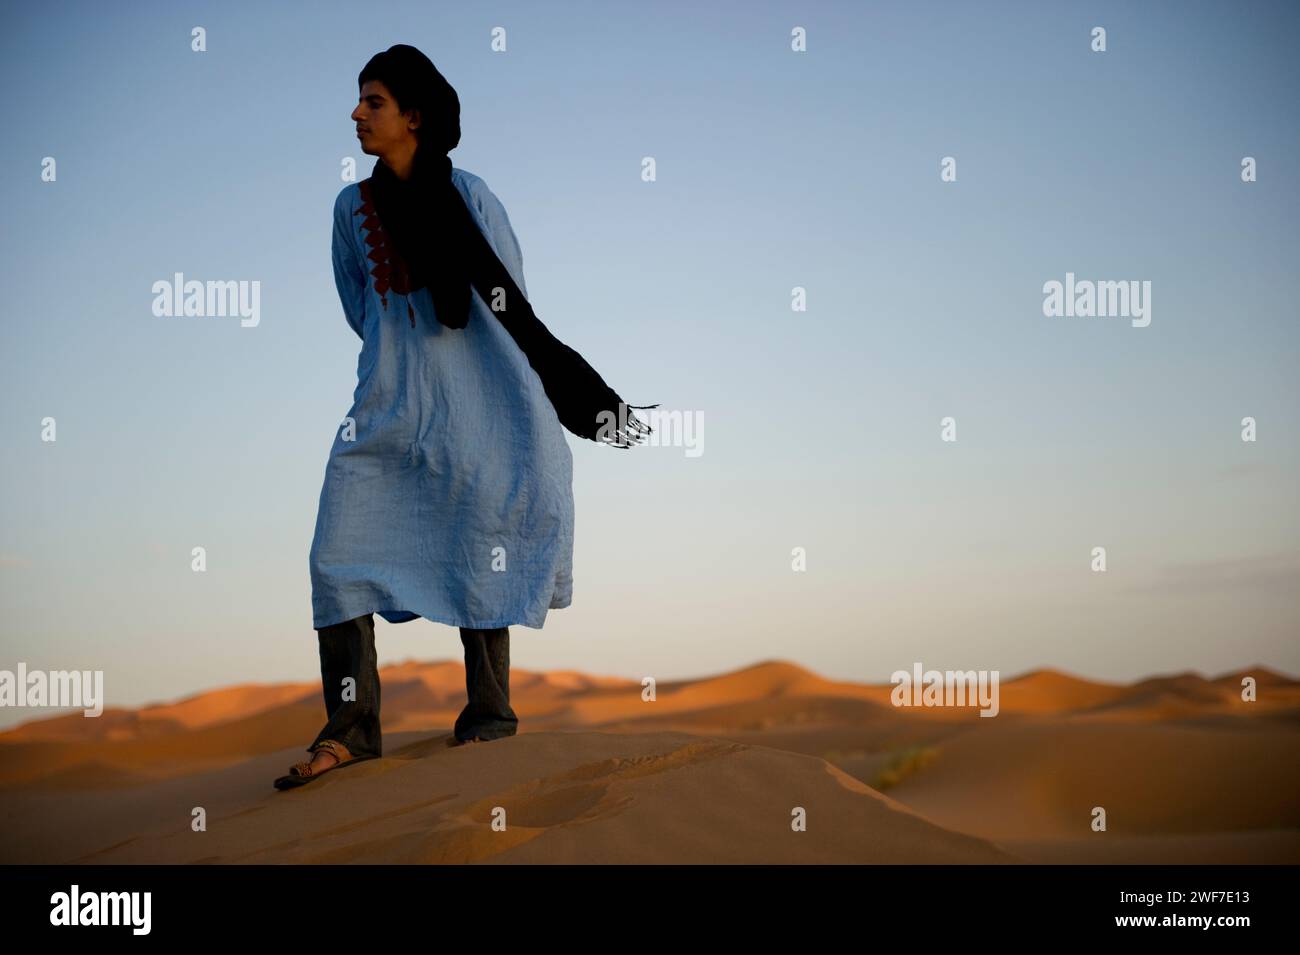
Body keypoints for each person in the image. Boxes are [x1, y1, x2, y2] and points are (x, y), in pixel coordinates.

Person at [275, 45, 575, 789]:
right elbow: (362, 307)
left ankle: (490, 718)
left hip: (478, 404)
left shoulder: (472, 196)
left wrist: (518, 404)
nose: (356, 113)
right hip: (385, 408)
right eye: (358, 100)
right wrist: (397, 365)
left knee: (482, 542)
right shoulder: (351, 208)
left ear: (414, 117)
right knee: (336, 558)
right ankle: (350, 728)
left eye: (372, 101)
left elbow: (511, 305)